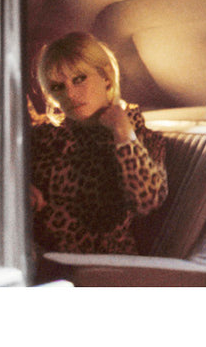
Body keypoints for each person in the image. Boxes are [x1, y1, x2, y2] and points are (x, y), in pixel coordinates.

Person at [31, 31, 168, 255]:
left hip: (97, 265)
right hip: (32, 254)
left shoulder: (143, 139)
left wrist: (123, 133)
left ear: (105, 77)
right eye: (58, 87)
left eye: (79, 79)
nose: (70, 94)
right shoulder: (41, 139)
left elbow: (148, 201)